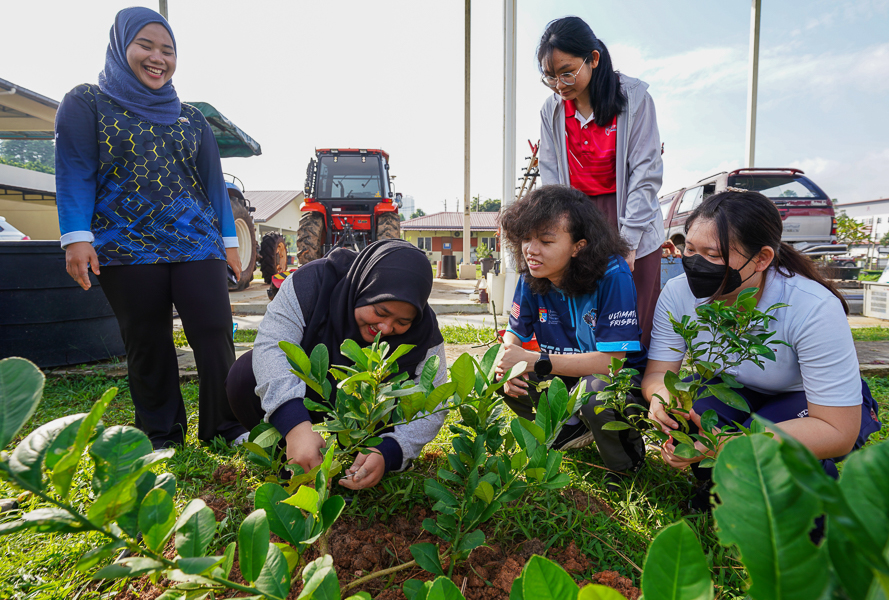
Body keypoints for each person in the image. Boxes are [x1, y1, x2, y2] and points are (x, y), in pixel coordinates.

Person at [54, 7, 247, 449]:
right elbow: (76, 170)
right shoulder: (86, 102)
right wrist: (77, 237)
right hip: (125, 244)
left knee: (214, 330)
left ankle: (226, 425)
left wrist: (230, 244)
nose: (158, 57)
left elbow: (213, 184)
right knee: (147, 340)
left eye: (168, 50)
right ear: (122, 47)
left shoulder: (192, 117)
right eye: (146, 45)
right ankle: (161, 435)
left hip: (196, 241)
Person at [643, 190, 881, 483]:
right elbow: (658, 373)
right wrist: (663, 400)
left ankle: (810, 509)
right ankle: (716, 485)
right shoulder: (678, 293)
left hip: (806, 397)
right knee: (690, 419)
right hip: (735, 386)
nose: (695, 264)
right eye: (690, 250)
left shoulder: (812, 306)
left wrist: (724, 446)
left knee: (771, 450)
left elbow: (836, 429)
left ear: (762, 259)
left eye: (713, 255)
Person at [225, 240, 448, 490]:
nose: (385, 328)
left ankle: (358, 458)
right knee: (245, 374)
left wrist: (390, 451)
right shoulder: (312, 284)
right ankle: (293, 450)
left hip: (366, 429)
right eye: (380, 311)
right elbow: (272, 345)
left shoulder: (424, 329)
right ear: (363, 289)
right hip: (304, 406)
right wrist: (295, 426)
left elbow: (434, 399)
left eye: (402, 322)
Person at [494, 185, 648, 478]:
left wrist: (535, 360)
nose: (531, 250)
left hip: (620, 381)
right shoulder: (532, 275)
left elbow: (610, 363)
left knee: (597, 393)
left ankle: (626, 464)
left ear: (579, 245)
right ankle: (569, 431)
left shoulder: (613, 274)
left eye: (546, 241)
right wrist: (507, 363)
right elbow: (515, 333)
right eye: (526, 238)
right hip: (561, 374)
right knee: (500, 372)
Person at [536, 16, 664, 349]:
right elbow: (551, 178)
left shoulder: (634, 99)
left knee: (633, 313)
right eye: (549, 76)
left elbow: (645, 173)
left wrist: (629, 241)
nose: (559, 84)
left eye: (567, 72)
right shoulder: (552, 111)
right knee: (585, 308)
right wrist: (559, 230)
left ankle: (635, 392)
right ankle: (589, 391)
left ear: (593, 59)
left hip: (628, 212)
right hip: (580, 218)